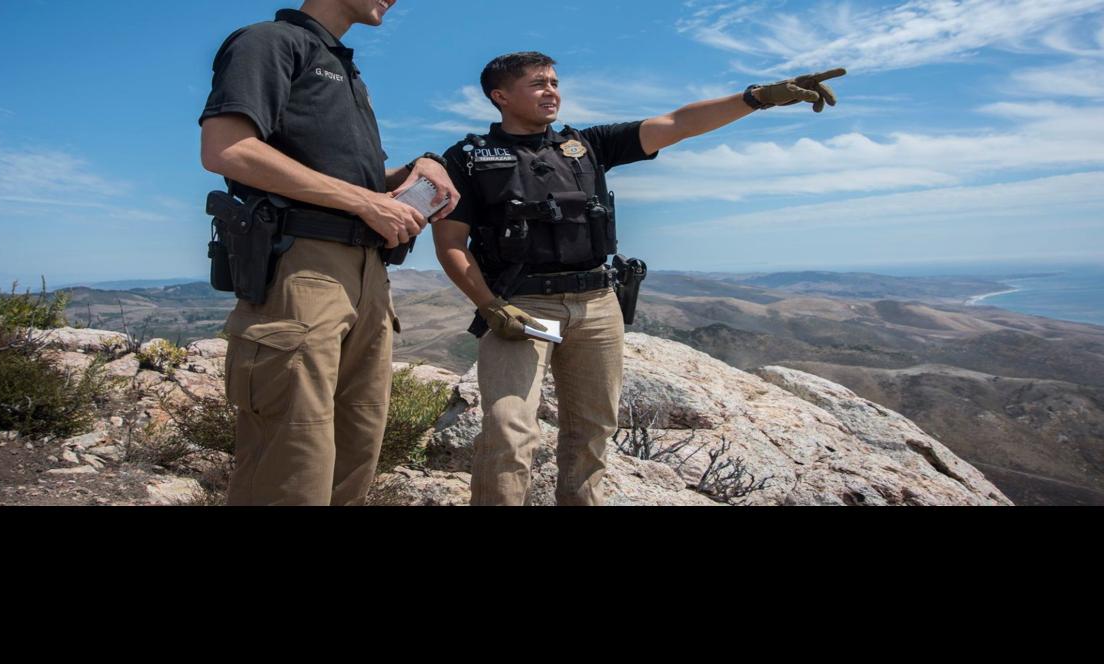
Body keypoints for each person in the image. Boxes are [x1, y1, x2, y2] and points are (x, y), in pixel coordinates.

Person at [434, 52, 845, 505]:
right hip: (522, 307)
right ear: (501, 96)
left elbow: (677, 123)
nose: (551, 91)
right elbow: (451, 244)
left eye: (554, 81)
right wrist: (491, 306)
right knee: (510, 431)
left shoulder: (587, 144)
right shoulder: (470, 159)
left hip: (597, 304)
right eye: (537, 84)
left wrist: (758, 98)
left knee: (591, 432)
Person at [199, 1, 460, 505]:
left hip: (367, 274)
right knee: (292, 456)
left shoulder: (343, 66)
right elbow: (226, 149)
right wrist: (366, 201)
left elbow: (346, 183)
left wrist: (417, 171)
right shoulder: (269, 41)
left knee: (353, 450)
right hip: (303, 268)